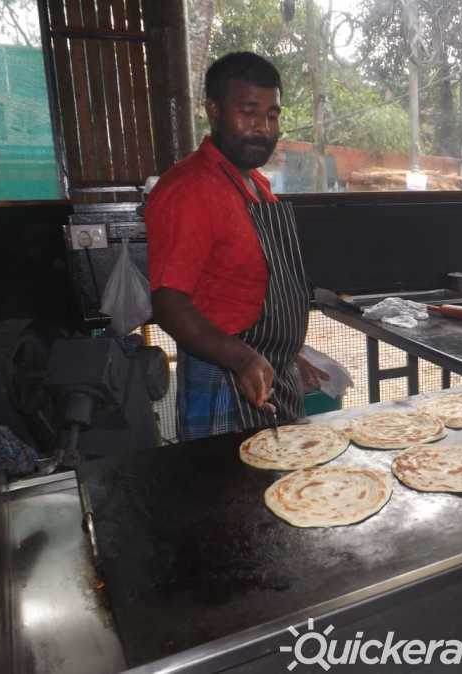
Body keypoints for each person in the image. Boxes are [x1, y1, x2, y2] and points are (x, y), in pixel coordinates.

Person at [146, 51, 326, 441]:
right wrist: (243, 359)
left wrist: (288, 352)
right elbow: (168, 303)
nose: (262, 127)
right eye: (248, 112)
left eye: (272, 115)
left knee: (280, 492)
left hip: (267, 368)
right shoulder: (189, 189)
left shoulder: (255, 186)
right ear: (214, 110)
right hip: (223, 377)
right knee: (227, 495)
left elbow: (249, 290)